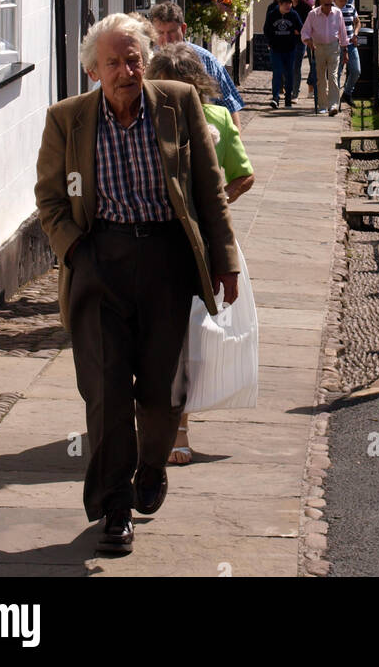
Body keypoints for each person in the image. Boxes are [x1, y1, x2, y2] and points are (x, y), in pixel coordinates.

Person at [34, 14, 239, 555]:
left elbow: (210, 187)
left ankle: (153, 464)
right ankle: (114, 508)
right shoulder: (67, 120)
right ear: (92, 70)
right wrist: (77, 251)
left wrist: (226, 260)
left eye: (134, 59)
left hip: (166, 261)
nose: (126, 71)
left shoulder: (177, 102)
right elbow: (50, 200)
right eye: (114, 63)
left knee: (161, 390)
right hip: (99, 262)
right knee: (103, 394)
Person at [143, 43, 254, 466]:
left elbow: (245, 176)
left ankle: (178, 428)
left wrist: (210, 206)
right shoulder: (140, 122)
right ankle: (163, 421)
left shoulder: (217, 120)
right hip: (159, 240)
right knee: (170, 338)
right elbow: (244, 178)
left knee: (185, 339)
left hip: (197, 247)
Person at [148, 1, 244, 127]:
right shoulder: (148, 61)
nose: (167, 39)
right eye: (160, 33)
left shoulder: (205, 59)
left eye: (171, 32)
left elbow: (230, 106)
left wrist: (236, 142)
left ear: (183, 29)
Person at [301, 0, 349, 116]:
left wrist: (345, 50)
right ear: (320, 4)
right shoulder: (313, 14)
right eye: (326, 4)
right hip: (318, 48)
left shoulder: (337, 13)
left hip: (333, 47)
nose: (329, 7)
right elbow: (304, 32)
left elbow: (342, 32)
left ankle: (333, 105)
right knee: (321, 78)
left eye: (330, 4)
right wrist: (308, 41)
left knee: (333, 76)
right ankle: (322, 105)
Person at [263, 0, 303, 107]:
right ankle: (275, 97)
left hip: (290, 49)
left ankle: (288, 97)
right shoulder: (272, 14)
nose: (288, 6)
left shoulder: (293, 14)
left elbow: (301, 28)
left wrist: (297, 35)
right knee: (277, 72)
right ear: (280, 4)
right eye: (286, 4)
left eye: (290, 4)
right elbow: (266, 30)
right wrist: (270, 41)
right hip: (276, 49)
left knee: (289, 74)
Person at [334, 0, 361, 104]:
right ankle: (335, 99)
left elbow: (357, 22)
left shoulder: (350, 8)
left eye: (345, 0)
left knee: (356, 70)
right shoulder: (332, 10)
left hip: (350, 44)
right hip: (336, 45)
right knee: (337, 73)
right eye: (341, 1)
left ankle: (347, 93)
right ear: (335, 0)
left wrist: (355, 34)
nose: (343, 3)